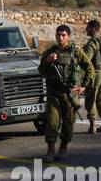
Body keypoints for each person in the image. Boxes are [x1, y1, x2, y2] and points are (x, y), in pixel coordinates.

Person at [38, 24, 93, 162]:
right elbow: (41, 70)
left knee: (68, 123)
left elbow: (90, 68)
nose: (60, 38)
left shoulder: (76, 52)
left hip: (70, 94)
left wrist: (83, 86)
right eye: (58, 35)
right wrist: (48, 60)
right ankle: (50, 151)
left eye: (63, 35)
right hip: (54, 93)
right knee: (52, 122)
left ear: (68, 36)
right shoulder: (50, 52)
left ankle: (63, 148)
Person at [81, 19, 101, 134]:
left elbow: (85, 60)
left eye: (88, 27)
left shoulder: (92, 43)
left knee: (91, 98)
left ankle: (92, 125)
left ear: (93, 29)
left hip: (96, 74)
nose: (86, 30)